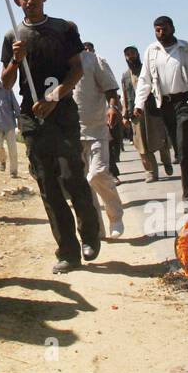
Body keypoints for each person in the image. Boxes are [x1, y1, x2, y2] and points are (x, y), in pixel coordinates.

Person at [1, 0, 101, 273]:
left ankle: (90, 237)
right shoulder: (12, 36)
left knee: (72, 175)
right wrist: (15, 61)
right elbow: (6, 84)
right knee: (47, 183)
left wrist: (56, 96)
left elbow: (77, 69)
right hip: (32, 117)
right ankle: (68, 251)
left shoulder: (65, 28)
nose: (29, 0)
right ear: (17, 0)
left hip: (62, 111)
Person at [132, 16, 188, 209]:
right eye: (157, 30)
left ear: (173, 28)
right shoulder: (151, 51)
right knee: (182, 151)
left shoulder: (186, 48)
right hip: (166, 106)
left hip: (187, 103)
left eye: (163, 29)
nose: (160, 33)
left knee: (183, 149)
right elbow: (145, 79)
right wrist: (139, 103)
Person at [75, 42, 125, 239]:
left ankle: (115, 217)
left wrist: (113, 108)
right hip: (71, 133)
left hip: (96, 129)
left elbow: (111, 90)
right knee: (84, 186)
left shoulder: (94, 60)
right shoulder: (56, 62)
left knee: (97, 174)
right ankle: (97, 229)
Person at [120, 46, 173, 182]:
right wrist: (125, 115)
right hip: (136, 115)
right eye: (127, 55)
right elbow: (125, 96)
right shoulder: (125, 76)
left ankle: (166, 161)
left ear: (138, 54)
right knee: (141, 144)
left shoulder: (147, 69)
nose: (130, 57)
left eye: (132, 53)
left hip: (153, 111)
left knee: (161, 140)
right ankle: (151, 172)